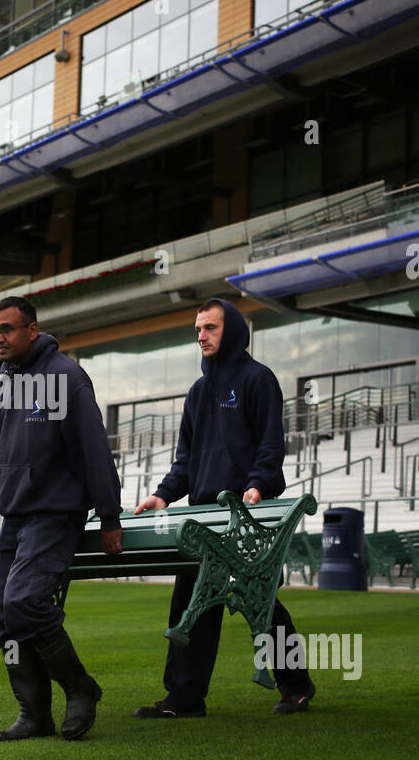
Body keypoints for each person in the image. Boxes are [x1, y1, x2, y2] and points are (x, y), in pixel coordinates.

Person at [133, 298, 315, 717]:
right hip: (202, 517)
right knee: (191, 599)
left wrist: (256, 486)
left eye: (210, 328)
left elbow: (271, 445)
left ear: (230, 330)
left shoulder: (258, 379)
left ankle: (295, 684)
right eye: (197, 329)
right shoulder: (197, 393)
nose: (201, 336)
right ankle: (184, 697)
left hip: (250, 512)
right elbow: (185, 460)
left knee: (260, 598)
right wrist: (163, 495)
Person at [0, 296, 123, 742]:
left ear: (32, 331)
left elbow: (93, 449)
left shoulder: (66, 376)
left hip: (55, 512)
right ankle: (33, 714)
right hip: (16, 513)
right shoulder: (3, 382)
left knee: (25, 601)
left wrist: (109, 515)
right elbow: (9, 450)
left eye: (6, 329)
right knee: (1, 612)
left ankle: (80, 688)